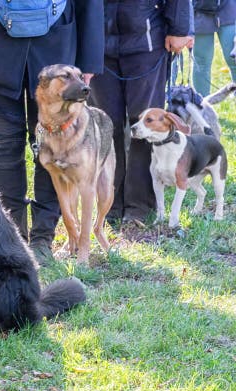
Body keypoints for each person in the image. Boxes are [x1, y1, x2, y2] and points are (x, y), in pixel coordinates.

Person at [0, 0, 104, 262]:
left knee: (52, 148)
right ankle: (14, 234)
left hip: (58, 47)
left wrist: (89, 58)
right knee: (7, 145)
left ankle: (43, 237)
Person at [89, 1, 192, 225]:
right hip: (97, 44)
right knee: (105, 126)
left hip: (147, 42)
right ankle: (109, 202)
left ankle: (139, 205)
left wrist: (180, 29)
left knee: (144, 126)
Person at [192, 0, 236, 95]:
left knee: (234, 59)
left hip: (228, 8)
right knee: (201, 63)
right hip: (199, 10)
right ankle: (201, 104)